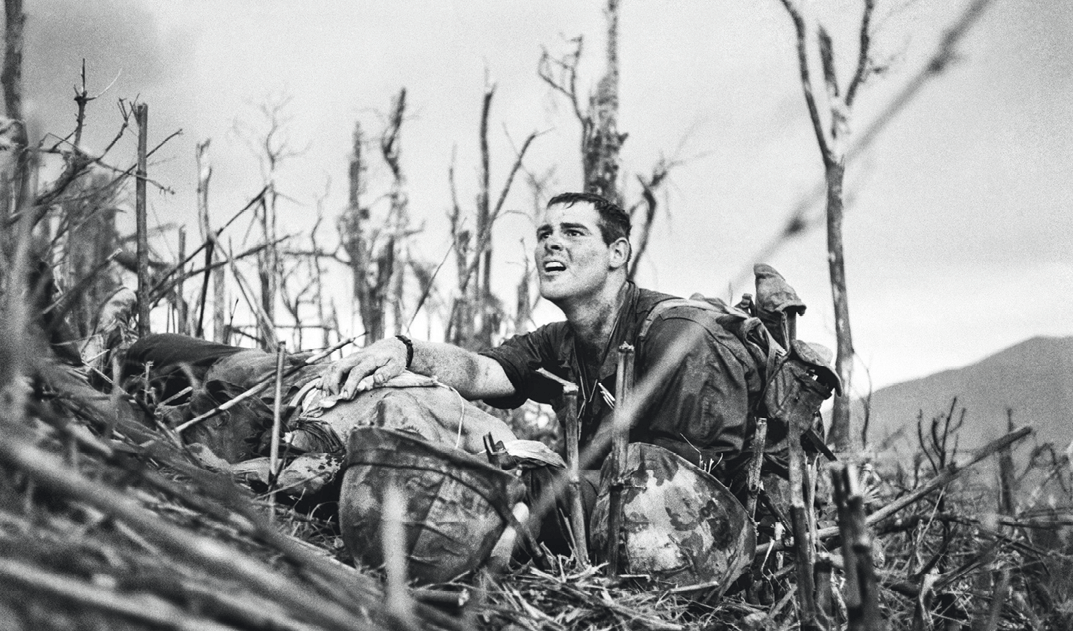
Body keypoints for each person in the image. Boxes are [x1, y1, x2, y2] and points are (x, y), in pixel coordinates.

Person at [318, 192, 762, 501]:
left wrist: (541, 478)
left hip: (692, 527)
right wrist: (402, 350)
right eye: (545, 232)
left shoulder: (683, 336)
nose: (551, 242)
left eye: (573, 232)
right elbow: (479, 371)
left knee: (494, 489)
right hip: (608, 504)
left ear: (617, 253)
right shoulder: (560, 340)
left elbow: (690, 487)